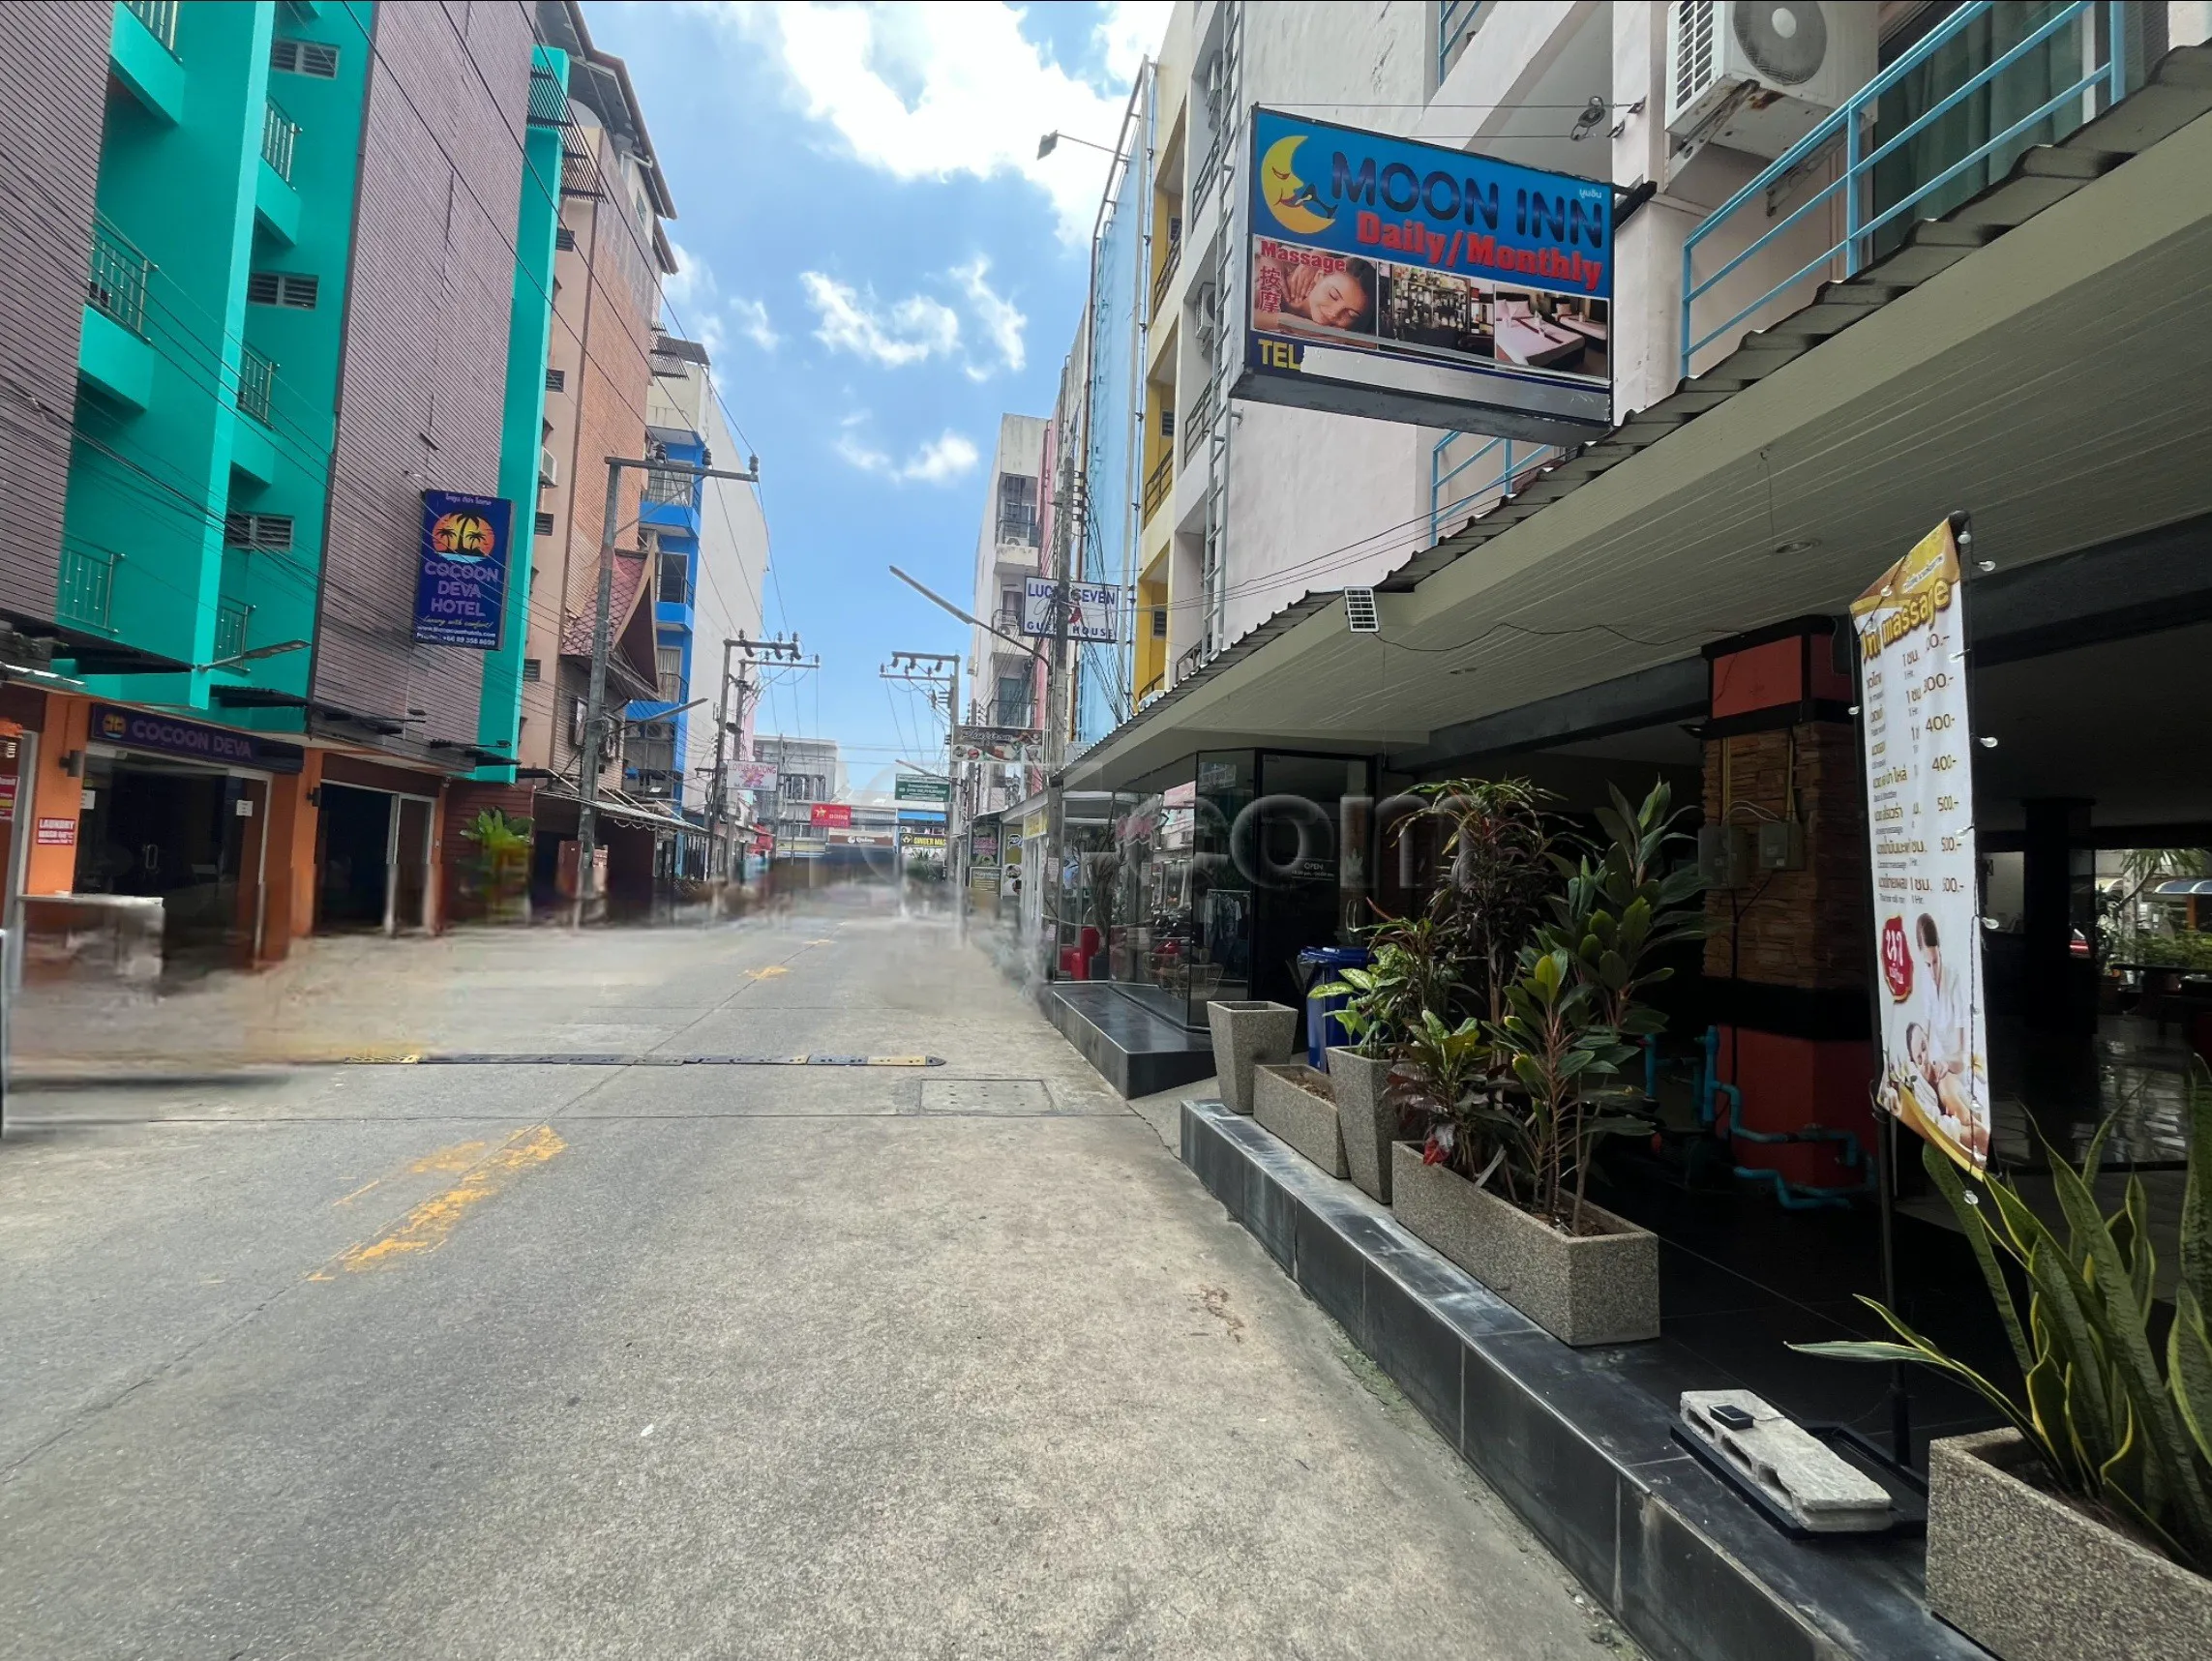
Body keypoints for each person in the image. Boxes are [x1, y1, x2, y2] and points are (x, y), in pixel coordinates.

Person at [1253, 247, 1375, 335]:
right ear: (1320, 275)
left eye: (1351, 315)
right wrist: (1291, 324)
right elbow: (1241, 312)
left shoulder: (1334, 336)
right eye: (1333, 296)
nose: (1334, 313)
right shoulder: (1270, 277)